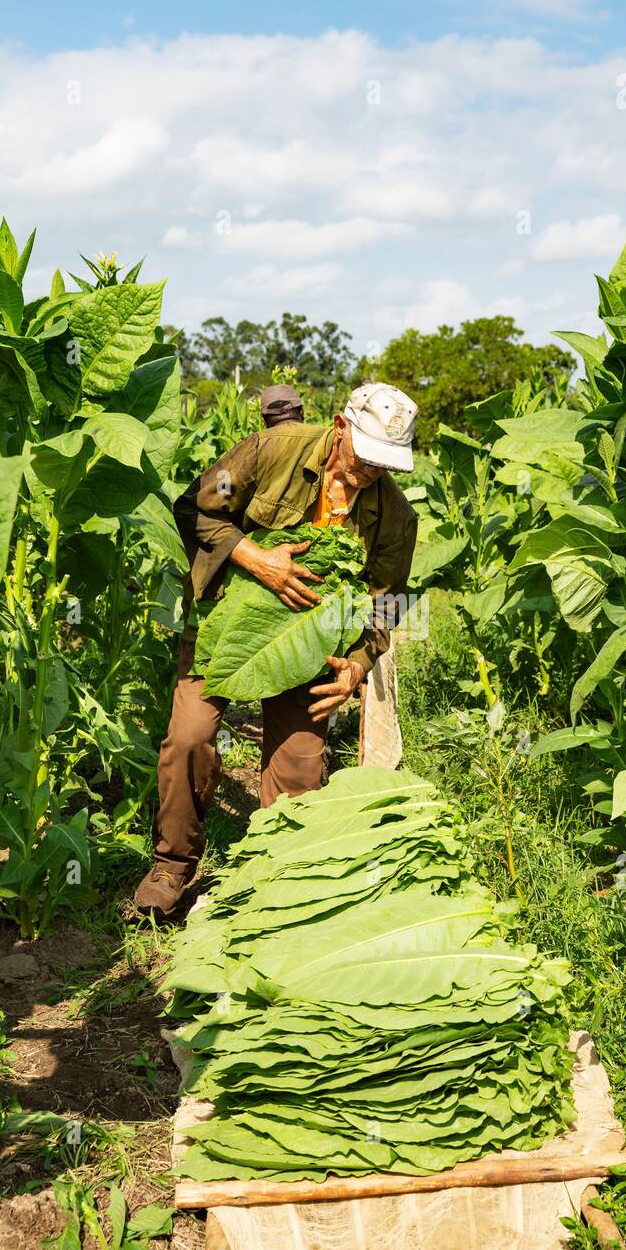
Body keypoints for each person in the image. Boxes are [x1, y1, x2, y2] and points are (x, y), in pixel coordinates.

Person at [134, 381, 420, 917]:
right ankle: (172, 866)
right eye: (364, 457)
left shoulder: (397, 519)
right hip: (231, 621)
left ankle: (276, 876)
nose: (369, 473)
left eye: (385, 465)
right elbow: (194, 508)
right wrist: (256, 557)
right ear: (340, 427)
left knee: (300, 772)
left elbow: (386, 606)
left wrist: (357, 666)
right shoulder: (270, 451)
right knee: (189, 738)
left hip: (313, 640)